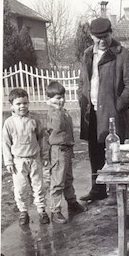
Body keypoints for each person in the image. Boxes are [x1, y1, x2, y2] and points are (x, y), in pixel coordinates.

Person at [77, 17, 129, 201]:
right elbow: (82, 81)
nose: (102, 41)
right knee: (94, 153)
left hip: (113, 115)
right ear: (91, 36)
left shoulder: (123, 55)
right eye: (98, 38)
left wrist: (117, 107)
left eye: (106, 36)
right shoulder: (87, 54)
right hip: (91, 113)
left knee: (114, 154)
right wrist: (83, 99)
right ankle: (97, 190)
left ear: (111, 33)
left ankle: (115, 194)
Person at [2, 88, 50, 225]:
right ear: (11, 105)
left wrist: (45, 156)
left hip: (34, 159)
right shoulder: (9, 123)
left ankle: (41, 210)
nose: (22, 106)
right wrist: (8, 162)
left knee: (39, 186)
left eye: (25, 103)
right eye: (18, 104)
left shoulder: (34, 120)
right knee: (21, 188)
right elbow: (5, 143)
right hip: (18, 161)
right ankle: (23, 211)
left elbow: (42, 139)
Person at [44, 81, 86, 224]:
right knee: (58, 182)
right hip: (58, 151)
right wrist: (56, 110)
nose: (60, 100)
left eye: (62, 97)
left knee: (68, 179)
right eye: (56, 98)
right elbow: (58, 126)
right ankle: (55, 210)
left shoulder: (63, 112)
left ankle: (72, 202)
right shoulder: (53, 113)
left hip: (67, 149)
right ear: (49, 99)